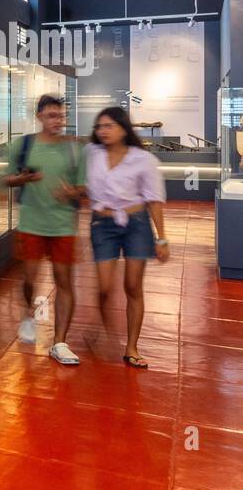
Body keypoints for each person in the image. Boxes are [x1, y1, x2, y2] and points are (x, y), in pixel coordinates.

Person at [3, 95, 86, 365]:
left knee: (64, 282)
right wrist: (23, 178)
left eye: (60, 116)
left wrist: (72, 192)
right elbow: (7, 179)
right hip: (31, 224)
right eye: (51, 116)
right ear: (39, 116)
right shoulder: (24, 145)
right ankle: (29, 315)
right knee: (29, 279)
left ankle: (60, 341)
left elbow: (85, 187)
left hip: (63, 225)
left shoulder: (75, 149)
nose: (57, 121)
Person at [85, 106, 170, 369]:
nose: (103, 131)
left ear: (124, 128)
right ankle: (106, 329)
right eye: (100, 127)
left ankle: (131, 346)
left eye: (109, 125)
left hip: (136, 224)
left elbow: (154, 200)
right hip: (102, 224)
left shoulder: (143, 159)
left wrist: (162, 239)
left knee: (133, 286)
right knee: (104, 287)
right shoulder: (91, 154)